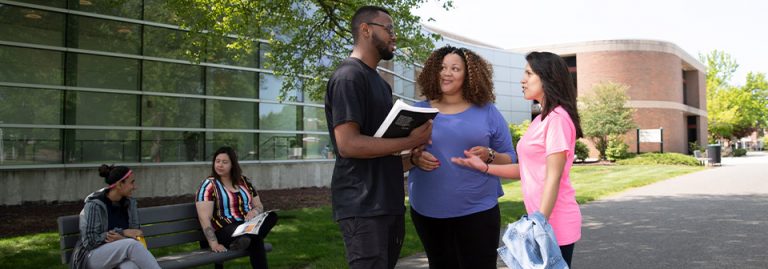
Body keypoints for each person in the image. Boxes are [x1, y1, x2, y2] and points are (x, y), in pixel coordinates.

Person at [324, 5, 433, 269]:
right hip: (362, 206)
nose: (394, 36)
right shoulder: (349, 77)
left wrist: (413, 159)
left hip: (388, 204)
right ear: (365, 30)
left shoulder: (381, 85)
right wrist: (409, 141)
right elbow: (348, 145)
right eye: (390, 29)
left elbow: (382, 153)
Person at [451, 51, 583, 267]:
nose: (523, 80)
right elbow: (526, 170)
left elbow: (553, 177)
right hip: (541, 220)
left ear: (547, 77)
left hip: (553, 223)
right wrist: (484, 167)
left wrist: (539, 223)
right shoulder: (541, 119)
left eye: (529, 74)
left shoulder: (557, 119)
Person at [408, 45, 516, 269]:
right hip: (428, 211)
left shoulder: (487, 111)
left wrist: (489, 155)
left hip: (478, 210)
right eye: (442, 67)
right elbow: (398, 156)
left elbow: (510, 157)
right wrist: (415, 159)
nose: (446, 73)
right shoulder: (417, 111)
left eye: (455, 68)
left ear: (469, 75)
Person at [70, 164, 160, 269]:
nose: (135, 187)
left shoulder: (130, 204)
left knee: (129, 266)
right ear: (119, 184)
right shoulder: (95, 205)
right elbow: (90, 241)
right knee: (131, 245)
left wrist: (121, 238)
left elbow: (136, 233)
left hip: (118, 253)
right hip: (89, 257)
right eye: (132, 182)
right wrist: (123, 233)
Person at [195, 146, 271, 269]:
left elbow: (259, 205)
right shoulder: (209, 185)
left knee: (271, 217)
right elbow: (204, 218)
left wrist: (254, 211)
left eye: (225, 162)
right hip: (223, 230)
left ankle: (245, 239)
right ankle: (245, 239)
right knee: (256, 239)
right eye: (217, 161)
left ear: (232, 165)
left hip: (246, 226)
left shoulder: (244, 182)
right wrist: (214, 244)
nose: (220, 165)